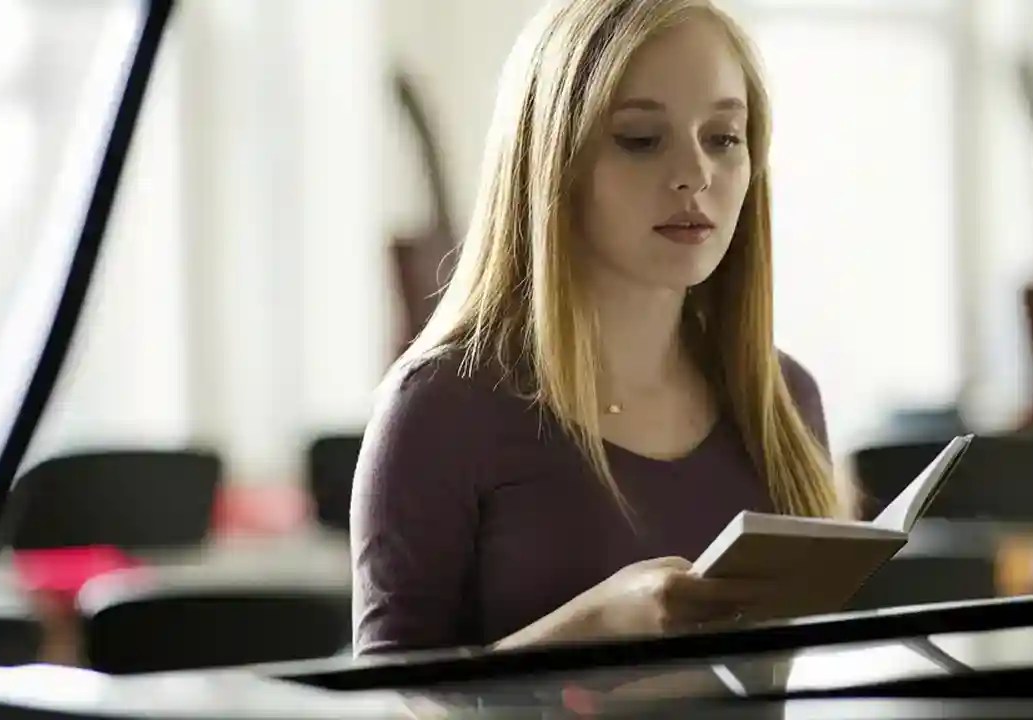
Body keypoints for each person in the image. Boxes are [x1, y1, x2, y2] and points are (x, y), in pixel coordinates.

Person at [351, 0, 847, 656]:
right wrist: (595, 628)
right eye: (641, 140)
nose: (696, 174)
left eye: (724, 138)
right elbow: (388, 704)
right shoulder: (442, 407)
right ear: (552, 161)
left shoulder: (784, 399)